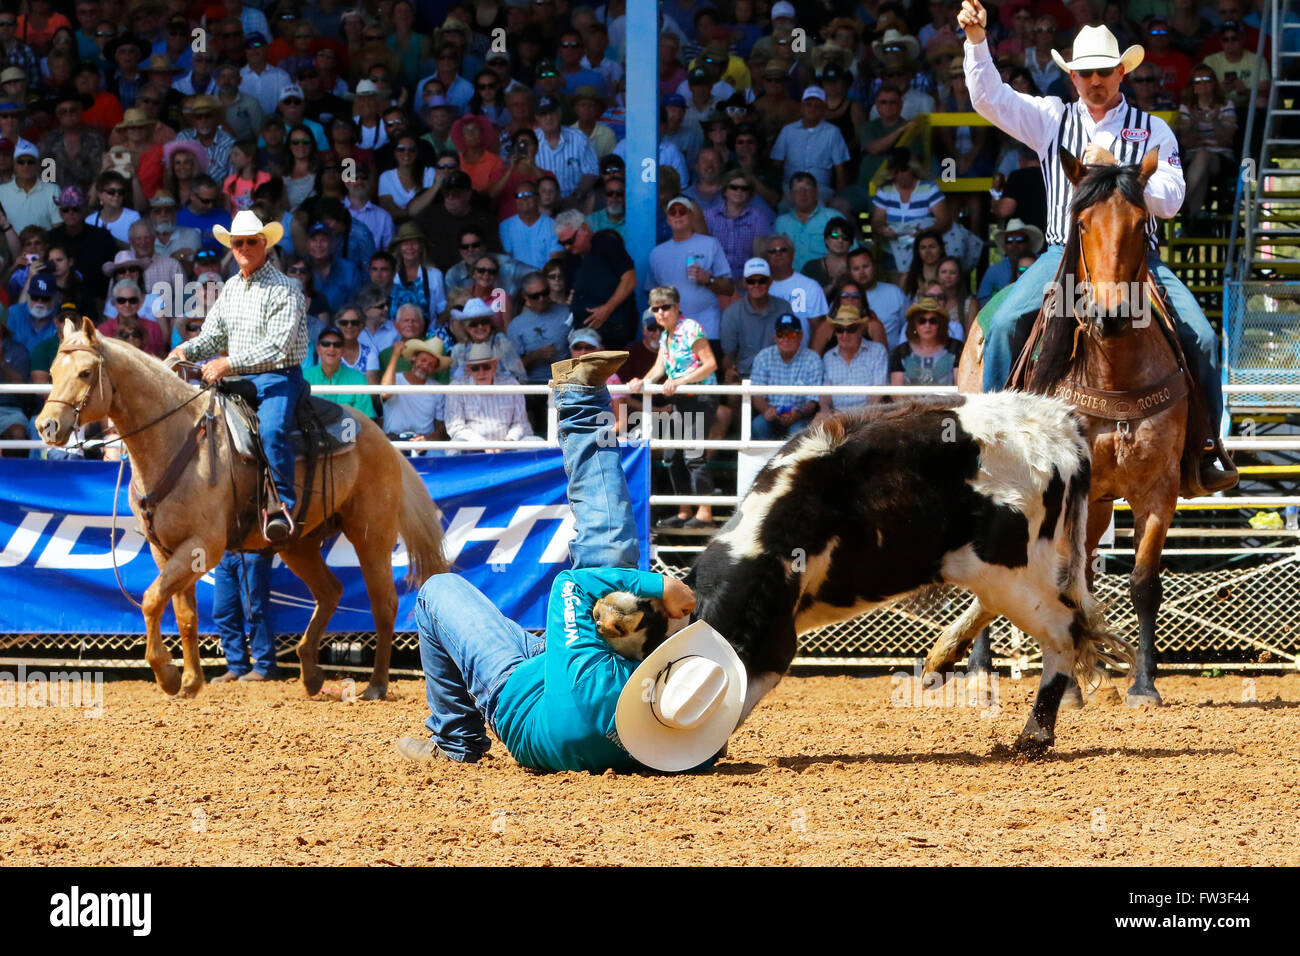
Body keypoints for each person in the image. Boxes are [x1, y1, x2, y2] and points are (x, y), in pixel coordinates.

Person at [396, 350, 743, 773]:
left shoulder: (600, 682)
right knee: (612, 560)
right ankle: (581, 400)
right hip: (572, 683)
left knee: (436, 590)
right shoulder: (690, 747)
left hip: (517, 686)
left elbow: (571, 587)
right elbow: (698, 718)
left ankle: (456, 741)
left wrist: (660, 587)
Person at [958, 3, 1235, 491]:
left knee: (1204, 339)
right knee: (1003, 325)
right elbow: (989, 99)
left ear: (1122, 72)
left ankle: (1204, 448)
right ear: (1073, 77)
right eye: (1084, 73)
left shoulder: (1155, 129)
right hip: (1064, 257)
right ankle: (993, 441)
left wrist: (1122, 179)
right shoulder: (1049, 118)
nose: (1093, 81)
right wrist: (978, 41)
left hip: (1136, 262)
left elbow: (1170, 200)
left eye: (1103, 71)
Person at [168, 210, 308, 541]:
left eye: (250, 242)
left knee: (272, 431)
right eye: (238, 242)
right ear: (231, 247)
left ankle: (281, 506)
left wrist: (228, 364)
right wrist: (185, 351)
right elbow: (214, 336)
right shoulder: (230, 287)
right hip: (238, 379)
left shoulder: (286, 289)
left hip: (278, 377)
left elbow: (277, 346)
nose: (244, 247)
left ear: (265, 245)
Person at [626, 286, 717, 529]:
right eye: (656, 309)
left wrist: (680, 381)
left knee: (692, 455)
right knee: (672, 455)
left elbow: (710, 364)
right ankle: (685, 512)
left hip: (700, 396)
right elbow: (659, 369)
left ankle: (705, 513)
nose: (661, 313)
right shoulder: (666, 336)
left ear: (677, 307)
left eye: (665, 307)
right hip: (681, 398)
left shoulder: (691, 328)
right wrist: (641, 382)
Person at [648, 196, 733, 351]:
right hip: (672, 331)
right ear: (667, 219)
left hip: (707, 328)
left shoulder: (710, 244)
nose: (678, 215)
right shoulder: (657, 253)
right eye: (673, 212)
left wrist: (709, 279)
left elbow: (728, 288)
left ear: (692, 216)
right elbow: (652, 296)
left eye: (683, 211)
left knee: (708, 374)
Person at [554, 210, 638, 350]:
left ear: (585, 229)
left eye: (570, 241)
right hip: (583, 333)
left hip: (614, 327)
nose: (567, 247)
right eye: (562, 243)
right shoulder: (571, 257)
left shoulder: (607, 243)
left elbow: (630, 280)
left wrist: (606, 309)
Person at [871, 147, 950, 277]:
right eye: (895, 171)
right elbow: (877, 220)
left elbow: (943, 220)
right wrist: (882, 229)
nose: (899, 175)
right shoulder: (885, 191)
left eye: (903, 170)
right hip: (892, 250)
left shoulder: (929, 188)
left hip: (924, 251)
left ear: (912, 169)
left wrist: (923, 234)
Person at [443, 341, 534, 447]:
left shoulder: (511, 384)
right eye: (475, 368)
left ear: (495, 366)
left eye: (486, 367)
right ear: (469, 369)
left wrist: (507, 442)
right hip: (472, 444)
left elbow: (521, 422)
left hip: (509, 443)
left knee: (537, 442)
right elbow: (455, 426)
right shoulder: (457, 388)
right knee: (455, 446)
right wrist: (482, 443)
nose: (481, 373)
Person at [1176, 66, 1236, 226]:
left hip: (1221, 159)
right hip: (1193, 160)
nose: (1203, 84)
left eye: (1208, 79)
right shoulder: (1186, 108)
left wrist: (1215, 121)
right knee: (1201, 173)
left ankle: (1180, 200)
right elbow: (1186, 143)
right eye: (1198, 81)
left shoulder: (1226, 104)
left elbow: (1227, 141)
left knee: (1202, 155)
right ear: (1193, 87)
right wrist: (1195, 122)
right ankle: (1190, 221)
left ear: (1215, 83)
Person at [749, 312, 823, 440]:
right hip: (772, 415)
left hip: (800, 417)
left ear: (800, 336)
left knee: (797, 430)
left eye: (791, 334)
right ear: (775, 337)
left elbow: (812, 401)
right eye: (781, 334)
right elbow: (757, 395)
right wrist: (767, 410)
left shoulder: (812, 359)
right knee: (758, 425)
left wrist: (798, 414)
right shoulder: (764, 356)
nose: (785, 338)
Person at [769, 87, 849, 200]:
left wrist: (840, 196)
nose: (812, 109)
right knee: (784, 208)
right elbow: (776, 163)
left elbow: (840, 169)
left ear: (823, 110)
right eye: (808, 104)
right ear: (801, 107)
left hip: (820, 189)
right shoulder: (788, 130)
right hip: (790, 189)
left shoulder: (833, 132)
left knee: (818, 207)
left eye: (817, 106)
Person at [209, 550, 277, 683]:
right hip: (224, 551)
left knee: (254, 610)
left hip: (252, 547)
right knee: (223, 613)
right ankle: (237, 667)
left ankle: (264, 667)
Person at [818, 304, 890, 416]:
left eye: (851, 329)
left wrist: (861, 417)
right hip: (835, 416)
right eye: (839, 329)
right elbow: (825, 394)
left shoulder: (877, 351)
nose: (845, 335)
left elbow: (878, 392)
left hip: (866, 415)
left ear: (861, 330)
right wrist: (825, 411)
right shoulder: (828, 357)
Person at [704, 168, 772, 281]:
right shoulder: (708, 216)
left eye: (744, 188)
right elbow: (703, 253)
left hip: (746, 279)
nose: (738, 191)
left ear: (750, 193)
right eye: (734, 187)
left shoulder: (758, 218)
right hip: (714, 279)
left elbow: (760, 257)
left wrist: (747, 280)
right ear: (725, 190)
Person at [507, 270, 572, 384]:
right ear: (525, 296)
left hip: (566, 382)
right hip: (534, 384)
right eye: (535, 296)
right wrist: (534, 357)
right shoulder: (516, 325)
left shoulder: (566, 313)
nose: (541, 298)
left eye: (545, 293)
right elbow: (512, 368)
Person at [765, 234, 829, 344]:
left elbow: (818, 329)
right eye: (773, 251)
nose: (778, 253)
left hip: (802, 356)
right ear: (767, 257)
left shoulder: (810, 286)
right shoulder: (760, 287)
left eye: (783, 250)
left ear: (793, 254)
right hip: (767, 357)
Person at [303, 323, 377, 417]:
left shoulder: (358, 379)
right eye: (326, 344)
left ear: (343, 350)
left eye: (337, 345)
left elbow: (365, 419)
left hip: (348, 430)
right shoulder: (304, 377)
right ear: (318, 349)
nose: (331, 348)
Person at [889, 296, 964, 387]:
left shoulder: (956, 348)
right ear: (914, 325)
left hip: (949, 401)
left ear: (940, 325)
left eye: (933, 321)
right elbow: (897, 393)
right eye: (921, 321)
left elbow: (961, 387)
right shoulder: (900, 352)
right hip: (909, 401)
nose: (927, 325)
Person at [978, 218, 1044, 306]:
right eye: (1009, 240)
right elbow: (983, 301)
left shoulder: (1044, 263)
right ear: (1004, 246)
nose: (1014, 244)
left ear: (1029, 243)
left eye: (1020, 239)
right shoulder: (994, 271)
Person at [499, 180, 560, 270]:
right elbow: (507, 263)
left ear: (538, 198)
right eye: (519, 196)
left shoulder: (554, 225)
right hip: (516, 280)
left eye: (528, 194)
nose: (524, 198)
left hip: (545, 279)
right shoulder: (505, 226)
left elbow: (555, 262)